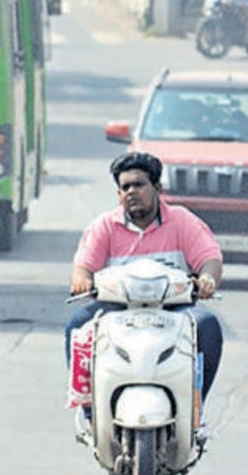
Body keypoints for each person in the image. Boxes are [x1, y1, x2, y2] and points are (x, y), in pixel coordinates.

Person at [65, 152, 226, 437]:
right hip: (116, 310)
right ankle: (91, 413)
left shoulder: (183, 222)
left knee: (207, 327)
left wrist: (207, 279)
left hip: (173, 310)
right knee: (78, 326)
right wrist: (82, 281)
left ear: (157, 188)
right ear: (118, 194)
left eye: (139, 185)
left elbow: (209, 259)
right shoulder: (105, 226)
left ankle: (194, 410)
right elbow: (83, 268)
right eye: (125, 187)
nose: (131, 192)